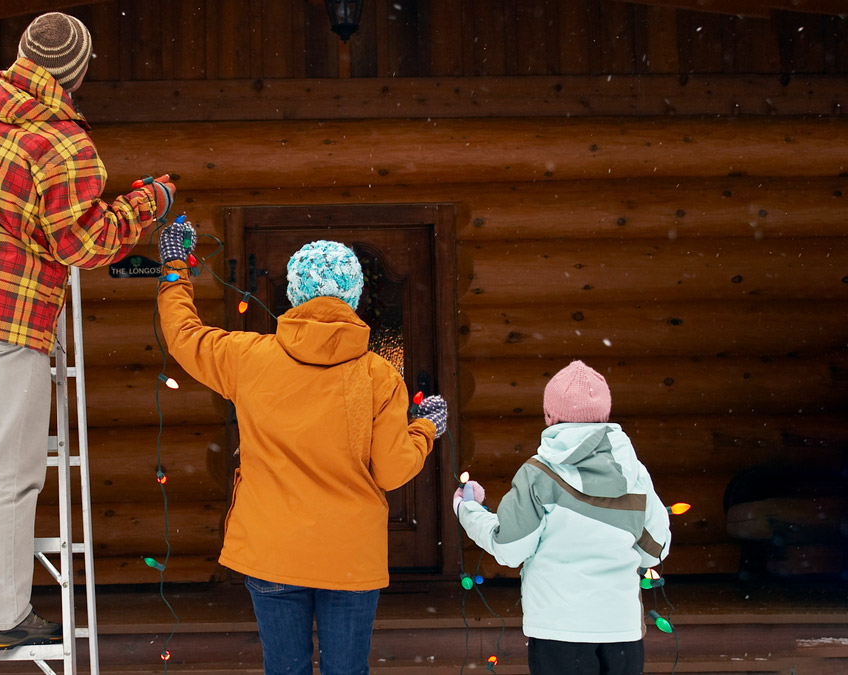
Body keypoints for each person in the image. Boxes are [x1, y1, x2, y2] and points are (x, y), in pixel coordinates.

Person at [0, 12, 175, 651]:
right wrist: (148, 203)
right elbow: (85, 241)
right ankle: (0, 616)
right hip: (7, 317)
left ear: (22, 55)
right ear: (78, 73)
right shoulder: (65, 146)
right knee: (4, 471)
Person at [155, 226, 446, 675]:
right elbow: (392, 471)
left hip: (273, 550)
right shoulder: (379, 375)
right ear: (355, 294)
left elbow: (183, 334)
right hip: (349, 558)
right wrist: (425, 427)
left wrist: (175, 264)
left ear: (293, 294)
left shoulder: (247, 357)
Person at [455, 360, 672, 675]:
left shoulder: (538, 474)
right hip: (621, 632)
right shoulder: (635, 473)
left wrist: (467, 510)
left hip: (559, 632)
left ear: (549, 416)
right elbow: (654, 551)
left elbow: (511, 548)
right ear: (605, 416)